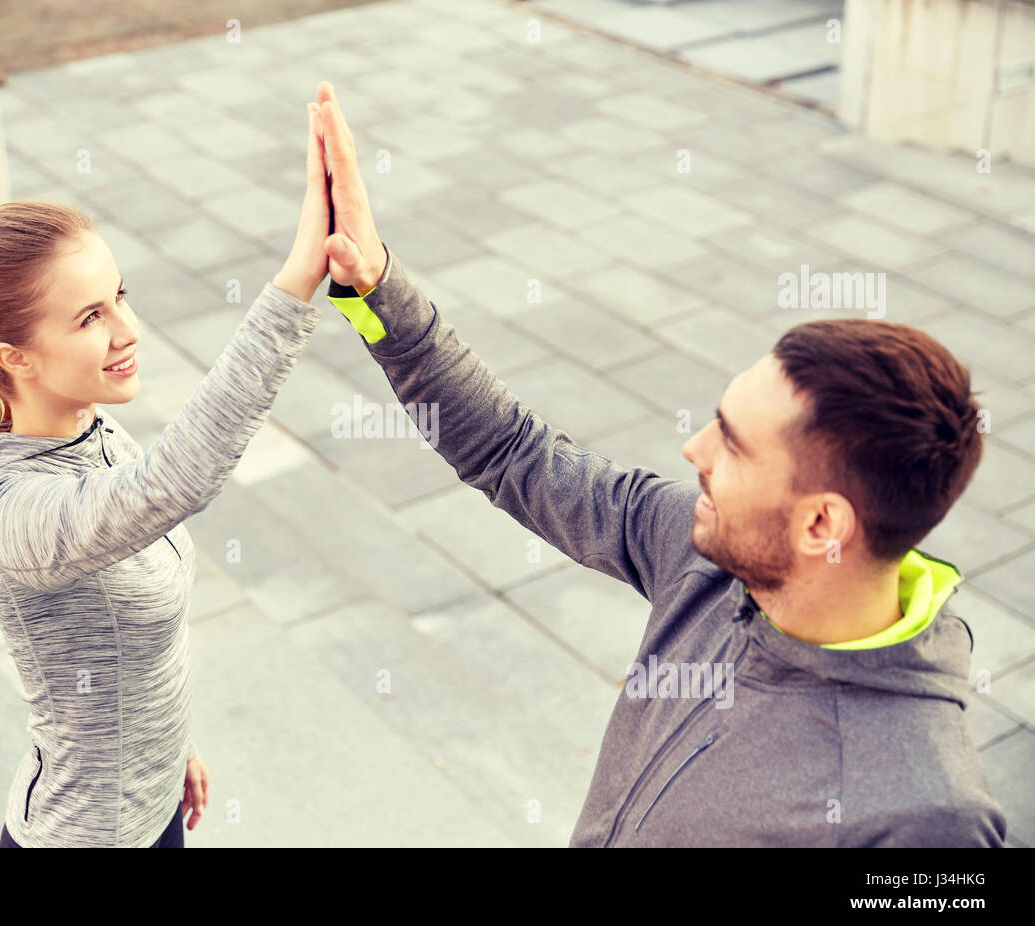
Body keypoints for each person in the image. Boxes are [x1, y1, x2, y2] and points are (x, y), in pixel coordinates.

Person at [312, 81, 1006, 846]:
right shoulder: (708, 553)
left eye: (732, 444)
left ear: (820, 522)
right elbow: (515, 453)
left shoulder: (926, 813)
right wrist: (374, 281)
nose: (693, 451)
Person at [0, 102, 333, 847]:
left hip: (152, 810)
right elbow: (179, 480)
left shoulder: (95, 429)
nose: (128, 329)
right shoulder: (15, 512)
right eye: (88, 318)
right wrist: (299, 278)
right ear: (17, 358)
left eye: (121, 297)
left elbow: (123, 648)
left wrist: (173, 749)